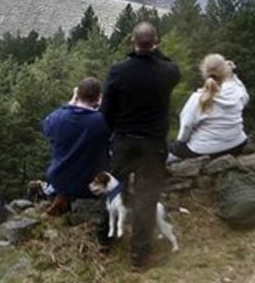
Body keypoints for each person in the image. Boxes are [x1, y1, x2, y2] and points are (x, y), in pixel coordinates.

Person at [99, 21, 181, 269]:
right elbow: (166, 62)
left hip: (124, 141)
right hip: (153, 146)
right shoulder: (168, 71)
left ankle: (104, 240)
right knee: (146, 198)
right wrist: (155, 50)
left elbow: (106, 110)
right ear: (156, 42)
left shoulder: (119, 71)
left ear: (132, 42)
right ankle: (139, 256)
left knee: (113, 191)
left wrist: (114, 132)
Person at [42, 77, 111, 215]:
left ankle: (62, 199)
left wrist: (72, 101)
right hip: (91, 186)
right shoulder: (102, 121)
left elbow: (47, 127)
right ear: (99, 98)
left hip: (60, 182)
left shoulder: (57, 118)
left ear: (77, 94)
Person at [171, 54, 250, 159]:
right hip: (237, 143)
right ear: (226, 71)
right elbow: (245, 99)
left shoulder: (198, 98)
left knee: (172, 148)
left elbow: (186, 125)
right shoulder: (236, 90)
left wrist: (180, 143)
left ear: (204, 72)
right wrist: (232, 74)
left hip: (205, 150)